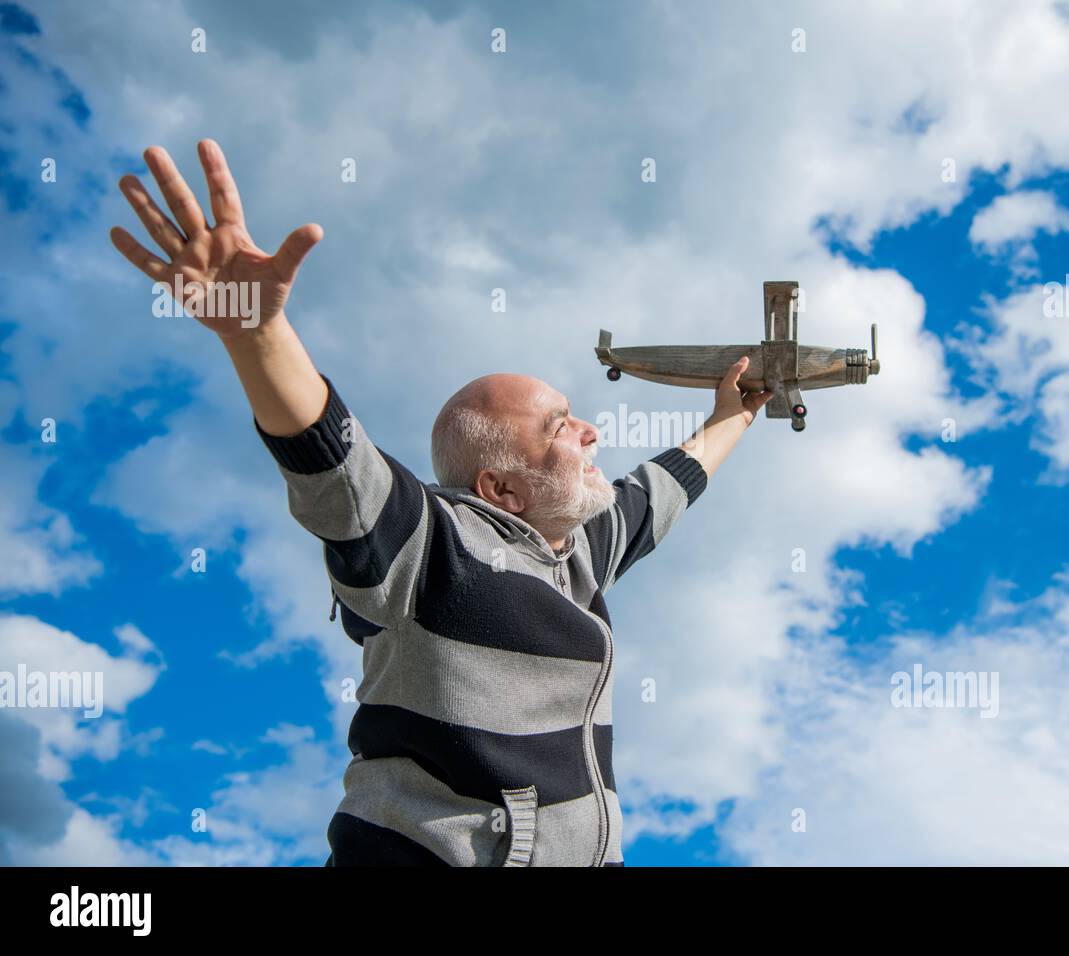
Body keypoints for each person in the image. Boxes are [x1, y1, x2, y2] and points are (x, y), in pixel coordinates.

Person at [110, 138, 772, 866]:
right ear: (500, 489)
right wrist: (259, 335)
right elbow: (337, 467)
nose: (591, 431)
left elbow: (665, 487)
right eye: (559, 425)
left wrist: (734, 414)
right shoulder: (430, 543)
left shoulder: (576, 554)